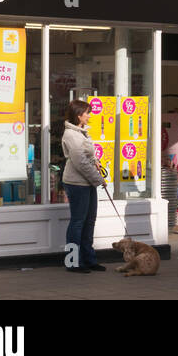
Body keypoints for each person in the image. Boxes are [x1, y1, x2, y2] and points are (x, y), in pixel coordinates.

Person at [61, 99, 106, 273]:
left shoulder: (82, 133)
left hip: (87, 182)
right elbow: (80, 162)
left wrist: (96, 162)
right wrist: (98, 179)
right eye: (87, 112)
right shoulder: (71, 135)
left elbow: (87, 157)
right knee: (78, 222)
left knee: (89, 222)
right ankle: (72, 262)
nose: (89, 115)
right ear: (79, 115)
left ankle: (89, 259)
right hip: (76, 183)